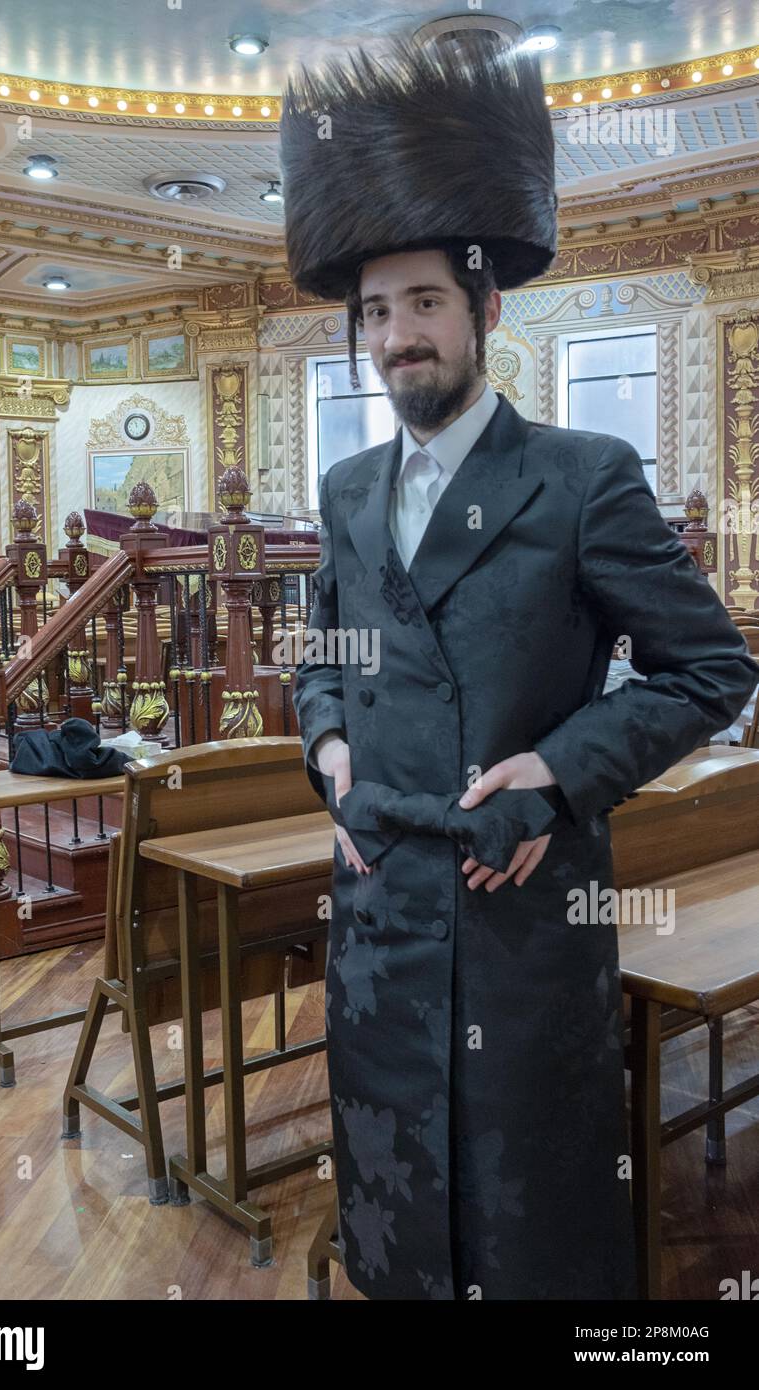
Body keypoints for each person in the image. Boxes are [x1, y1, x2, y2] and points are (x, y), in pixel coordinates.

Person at [281, 34, 758, 1301]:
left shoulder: (580, 476)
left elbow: (710, 671)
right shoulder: (341, 491)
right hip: (378, 919)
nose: (398, 338)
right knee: (394, 1222)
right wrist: (329, 752)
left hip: (522, 919)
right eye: (376, 313)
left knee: (526, 1228)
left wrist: (558, 770)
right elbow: (318, 654)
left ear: (486, 308)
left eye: (423, 304)